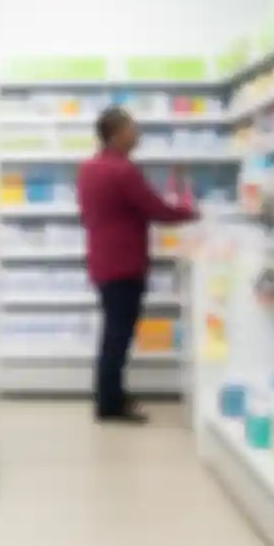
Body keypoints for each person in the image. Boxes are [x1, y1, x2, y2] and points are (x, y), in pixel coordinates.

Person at [77, 107, 199, 425]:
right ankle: (110, 405)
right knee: (118, 335)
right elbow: (154, 208)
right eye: (132, 128)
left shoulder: (89, 168)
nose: (138, 133)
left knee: (112, 333)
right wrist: (191, 214)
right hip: (124, 263)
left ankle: (111, 395)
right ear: (117, 134)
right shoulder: (122, 171)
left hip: (102, 261)